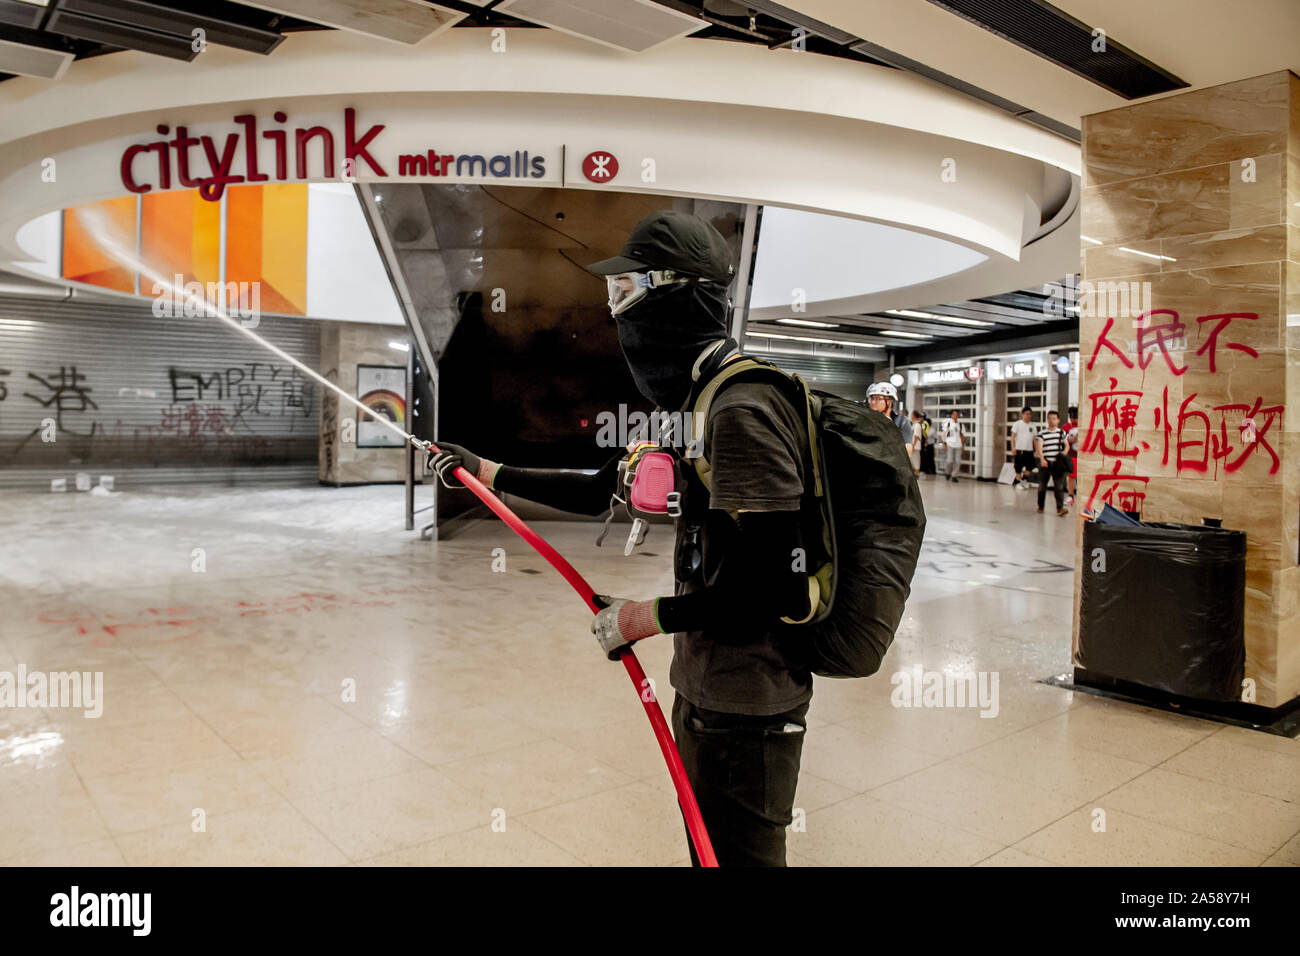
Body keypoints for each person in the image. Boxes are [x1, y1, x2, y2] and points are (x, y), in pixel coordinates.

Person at [429, 210, 818, 867]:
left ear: (679, 295)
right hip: (706, 686)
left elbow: (768, 585)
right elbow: (603, 484)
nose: (617, 315)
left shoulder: (740, 412)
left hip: (749, 705)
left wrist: (643, 617)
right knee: (707, 848)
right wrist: (483, 469)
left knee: (738, 857)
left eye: (627, 292)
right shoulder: (698, 404)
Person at [1034, 410, 1070, 515]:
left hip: (1058, 464)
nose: (1051, 421)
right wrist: (1042, 459)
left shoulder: (1062, 433)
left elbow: (1066, 445)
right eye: (1049, 418)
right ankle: (1040, 506)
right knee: (1042, 486)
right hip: (1046, 463)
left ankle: (1060, 508)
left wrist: (1064, 452)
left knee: (1059, 486)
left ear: (1058, 420)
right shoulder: (1042, 433)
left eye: (1054, 418)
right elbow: (1040, 447)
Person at [866, 382, 913, 460]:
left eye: (878, 399)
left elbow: (908, 449)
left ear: (889, 401)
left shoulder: (901, 422)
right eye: (872, 398)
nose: (873, 402)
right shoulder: (866, 420)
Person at [1009, 406, 1036, 490]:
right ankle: (1017, 482)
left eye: (1030, 414)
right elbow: (1012, 437)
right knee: (1018, 468)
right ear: (1022, 414)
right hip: (1020, 450)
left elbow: (1034, 439)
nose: (1028, 416)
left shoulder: (1033, 426)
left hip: (1029, 450)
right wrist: (1013, 448)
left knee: (1030, 467)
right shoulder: (1017, 424)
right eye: (1027, 414)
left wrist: (1037, 450)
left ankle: (1024, 480)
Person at [940, 409, 963, 481]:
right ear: (952, 415)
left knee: (957, 461)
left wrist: (963, 446)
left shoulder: (960, 425)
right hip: (950, 444)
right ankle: (948, 472)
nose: (955, 416)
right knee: (950, 461)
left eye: (957, 414)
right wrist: (944, 443)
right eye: (954, 414)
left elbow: (962, 435)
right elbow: (944, 433)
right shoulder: (948, 423)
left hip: (958, 445)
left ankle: (954, 476)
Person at [1064, 405, 1079, 504]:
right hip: (1072, 455)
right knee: (1071, 476)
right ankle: (1070, 495)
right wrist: (1073, 439)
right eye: (1073, 418)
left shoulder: (1083, 426)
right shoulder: (1067, 427)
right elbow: (1064, 440)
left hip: (1083, 455)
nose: (1074, 420)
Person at [909, 410, 926, 477]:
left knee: (916, 460)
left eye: (911, 414)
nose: (910, 416)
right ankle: (915, 473)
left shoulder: (917, 425)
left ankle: (916, 473)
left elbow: (916, 436)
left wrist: (913, 445)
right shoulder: (915, 424)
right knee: (913, 460)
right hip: (913, 445)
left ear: (914, 416)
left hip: (915, 446)